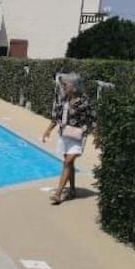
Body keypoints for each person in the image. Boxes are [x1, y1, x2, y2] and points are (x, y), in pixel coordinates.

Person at [42, 73, 95, 205]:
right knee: (69, 163)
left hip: (78, 136)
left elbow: (92, 119)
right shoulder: (64, 98)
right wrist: (48, 130)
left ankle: (58, 194)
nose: (64, 86)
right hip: (65, 134)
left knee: (67, 162)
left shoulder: (85, 100)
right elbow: (57, 116)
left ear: (75, 86)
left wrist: (97, 137)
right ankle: (71, 190)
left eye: (66, 84)